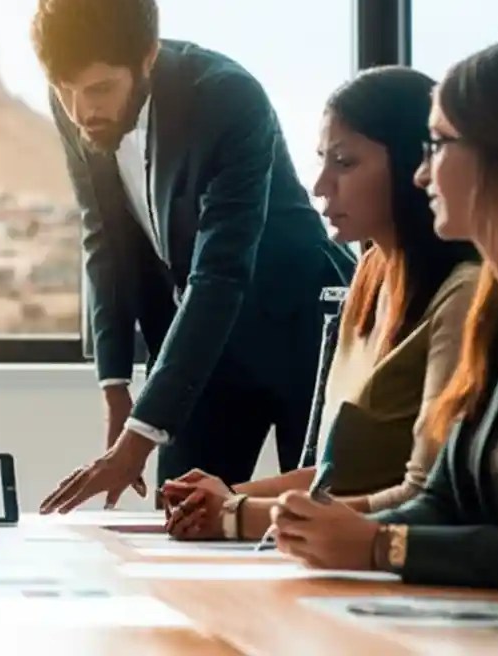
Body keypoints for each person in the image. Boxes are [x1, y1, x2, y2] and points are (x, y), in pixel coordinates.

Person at [33, 0, 355, 513]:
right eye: (66, 90)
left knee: (309, 520)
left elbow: (221, 270)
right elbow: (105, 241)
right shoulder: (77, 106)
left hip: (299, 325)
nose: (83, 109)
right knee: (180, 516)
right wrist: (117, 389)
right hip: (203, 341)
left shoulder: (228, 97)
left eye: (101, 88)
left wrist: (138, 438)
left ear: (147, 58)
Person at [159, 66, 481, 541]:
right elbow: (333, 475)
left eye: (345, 163)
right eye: (321, 161)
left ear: (416, 163)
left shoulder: (463, 295)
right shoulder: (369, 278)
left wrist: (237, 513)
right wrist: (223, 494)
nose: (320, 185)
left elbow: (425, 497)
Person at [271, 37, 498, 591]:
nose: (421, 174)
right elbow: (443, 498)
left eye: (437, 146)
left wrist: (379, 546)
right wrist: (331, 532)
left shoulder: (466, 302)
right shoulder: (496, 320)